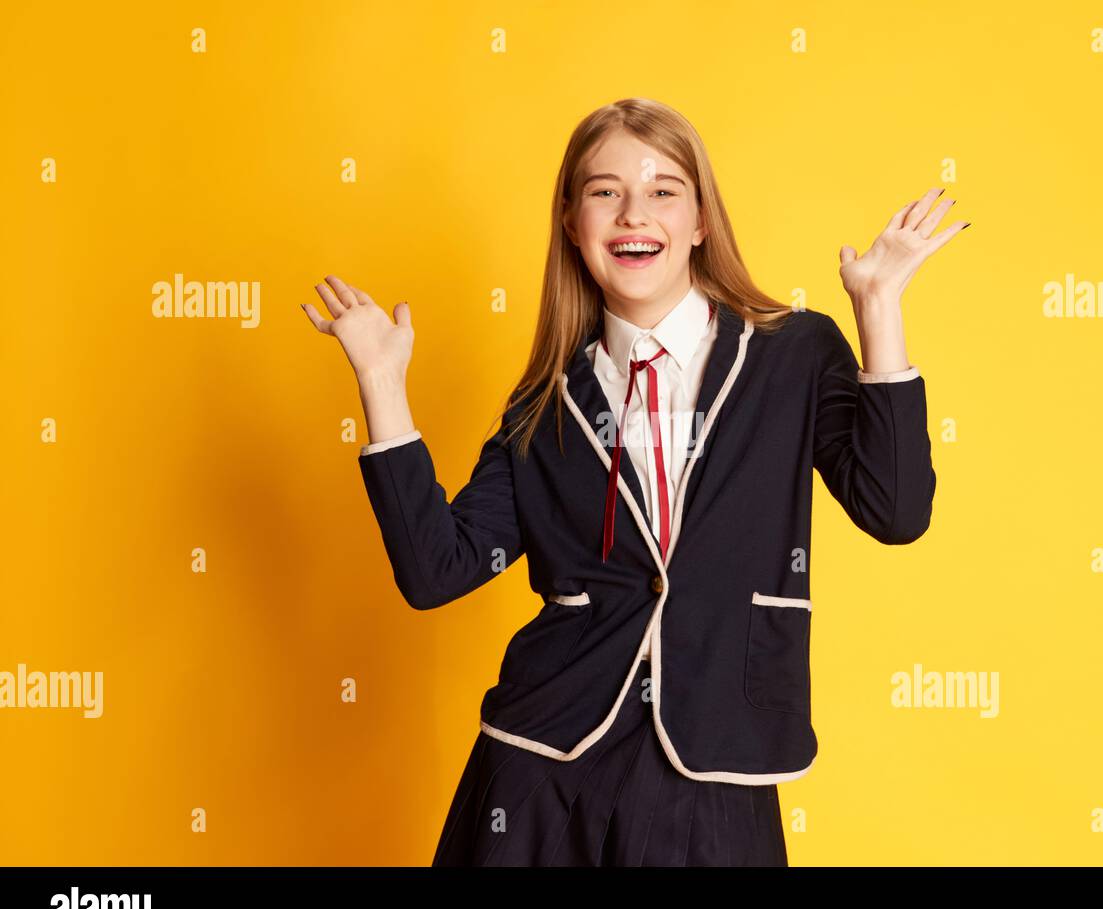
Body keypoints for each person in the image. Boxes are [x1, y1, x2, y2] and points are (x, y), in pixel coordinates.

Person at [302, 97, 961, 866]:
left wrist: (879, 308)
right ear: (574, 223)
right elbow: (434, 571)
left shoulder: (794, 353)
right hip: (544, 772)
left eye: (662, 190)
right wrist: (383, 384)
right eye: (605, 191)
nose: (632, 213)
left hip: (721, 758)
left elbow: (895, 509)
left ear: (700, 221)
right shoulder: (542, 407)